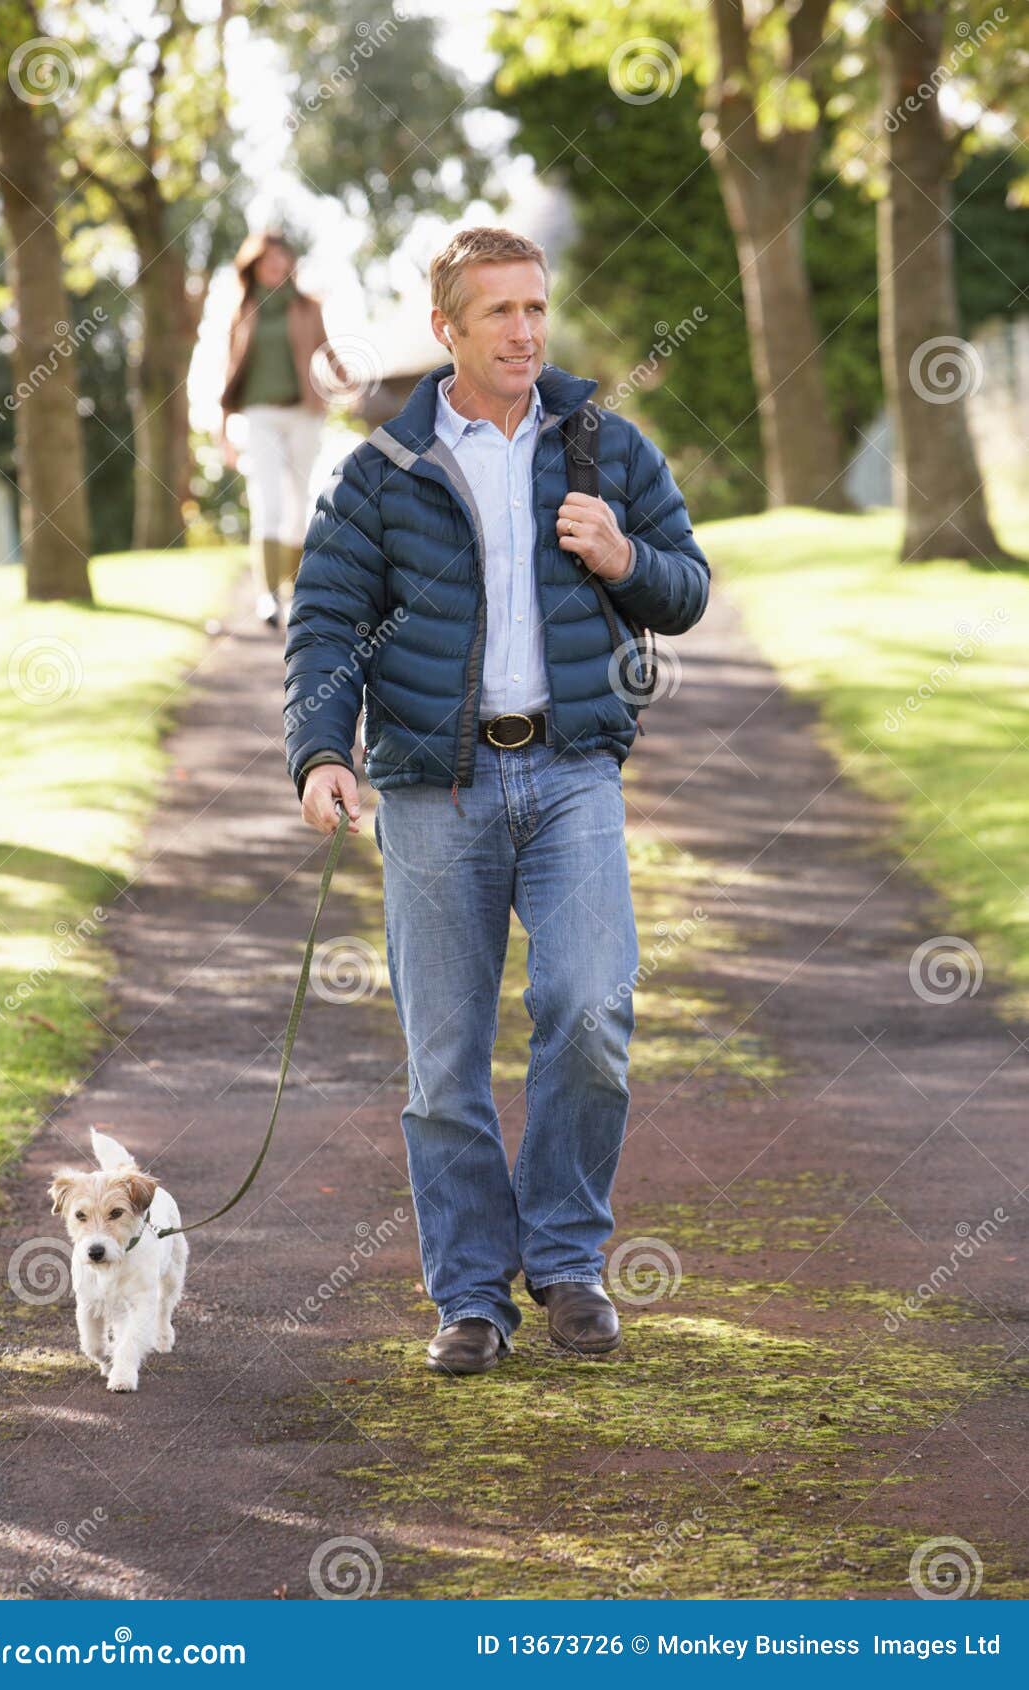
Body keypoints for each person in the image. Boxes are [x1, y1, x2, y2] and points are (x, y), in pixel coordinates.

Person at [284, 226, 711, 1376]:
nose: (525, 331)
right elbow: (323, 622)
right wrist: (324, 750)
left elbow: (687, 588)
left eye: (535, 309)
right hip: (433, 787)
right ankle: (470, 1294)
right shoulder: (382, 471)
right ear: (447, 331)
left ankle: (565, 1257)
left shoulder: (604, 449)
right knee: (443, 1059)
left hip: (572, 772)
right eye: (499, 314)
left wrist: (624, 559)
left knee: (586, 1011)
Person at [219, 230, 347, 630]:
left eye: (282, 259)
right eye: (268, 260)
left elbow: (327, 351)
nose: (276, 266)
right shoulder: (244, 309)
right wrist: (222, 430)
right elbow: (229, 371)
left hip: (303, 413)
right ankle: (268, 595)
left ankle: (295, 593)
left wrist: (350, 384)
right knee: (267, 503)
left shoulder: (308, 307)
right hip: (259, 415)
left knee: (298, 505)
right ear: (254, 266)